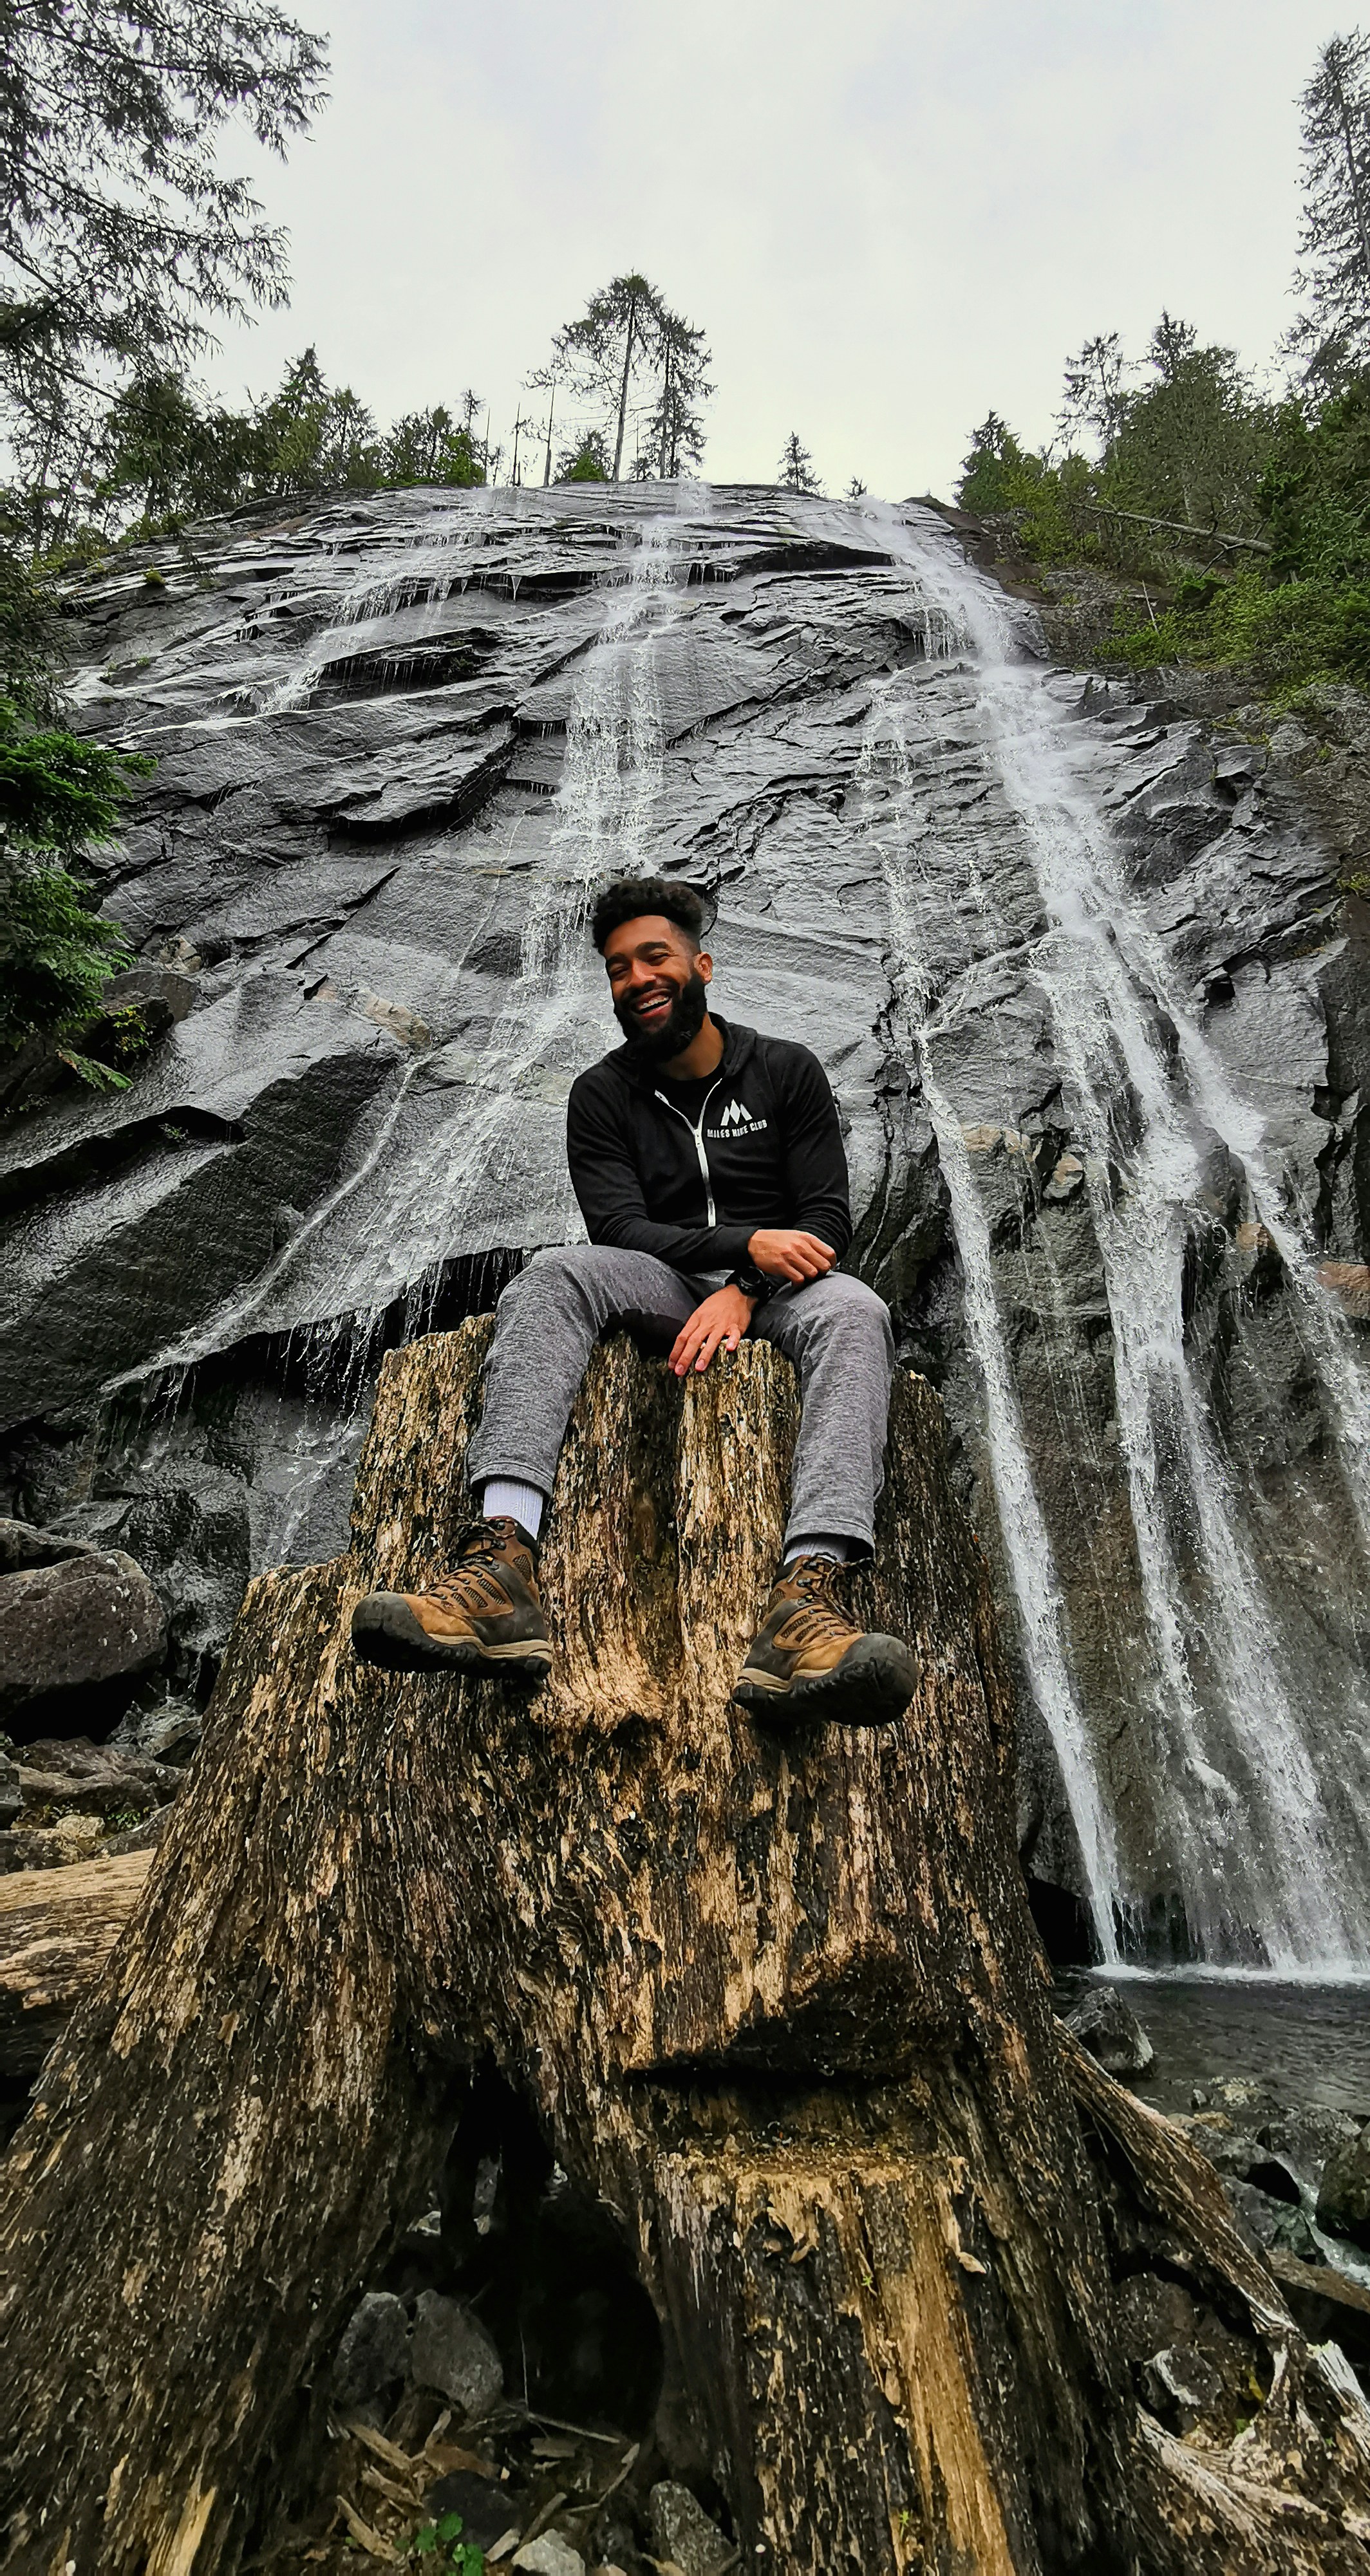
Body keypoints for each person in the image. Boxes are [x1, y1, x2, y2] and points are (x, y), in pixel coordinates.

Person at [352, 876, 917, 1725]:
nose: (637, 978)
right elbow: (622, 1227)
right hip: (666, 1285)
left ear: (702, 965)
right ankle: (500, 1566)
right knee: (555, 1272)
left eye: (655, 957)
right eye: (618, 968)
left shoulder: (786, 1071)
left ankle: (807, 1602)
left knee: (859, 1311)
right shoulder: (602, 1096)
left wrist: (749, 1289)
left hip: (787, 1293)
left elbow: (828, 1217)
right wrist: (740, 1252)